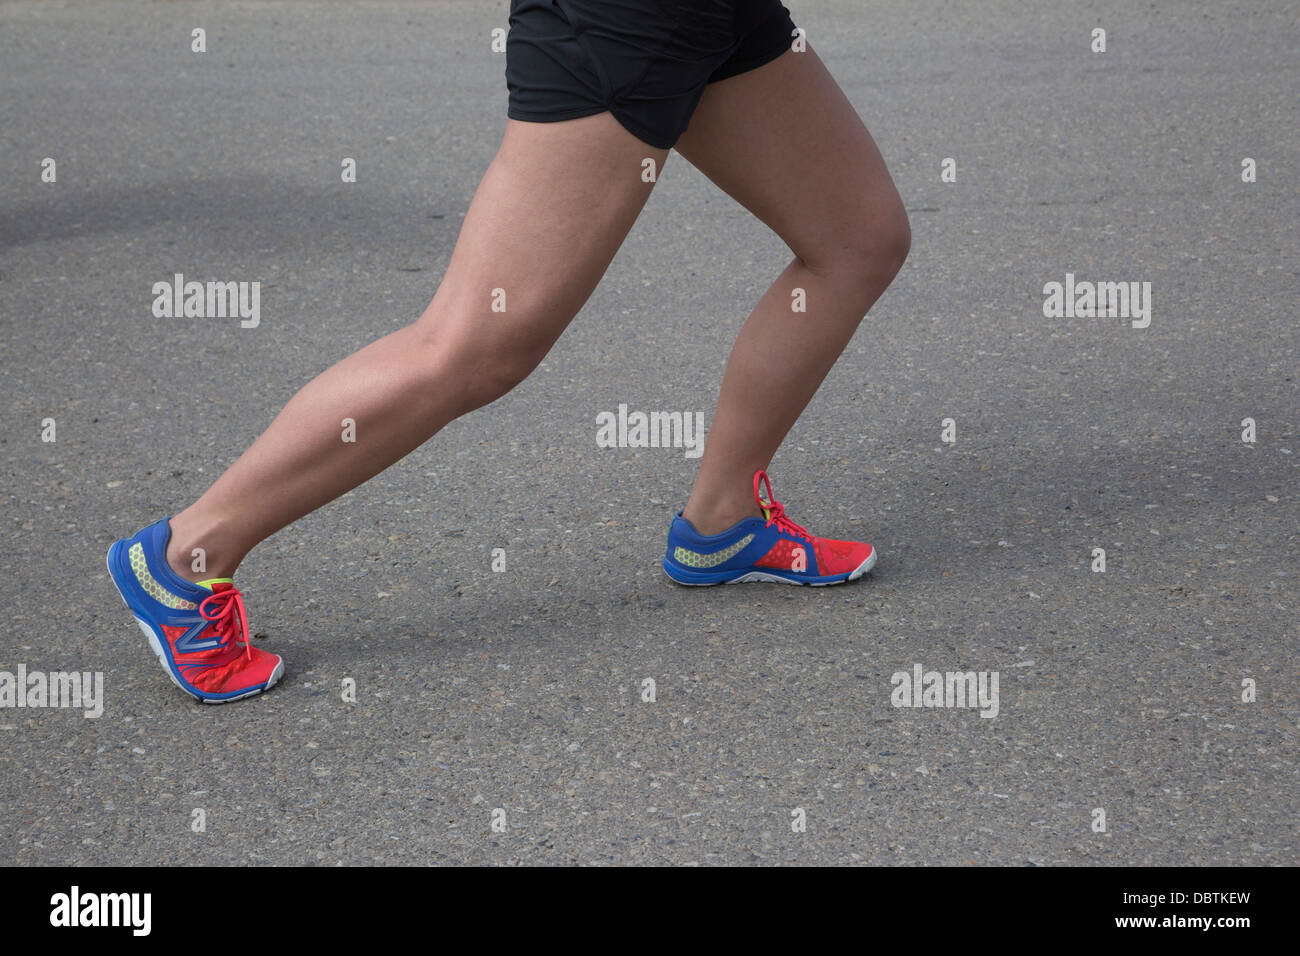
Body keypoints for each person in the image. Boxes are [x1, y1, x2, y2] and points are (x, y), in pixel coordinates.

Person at [107, 0, 910, 703]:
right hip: (630, 20)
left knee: (857, 239)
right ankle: (181, 558)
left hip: (713, 10)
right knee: (477, 344)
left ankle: (723, 523)